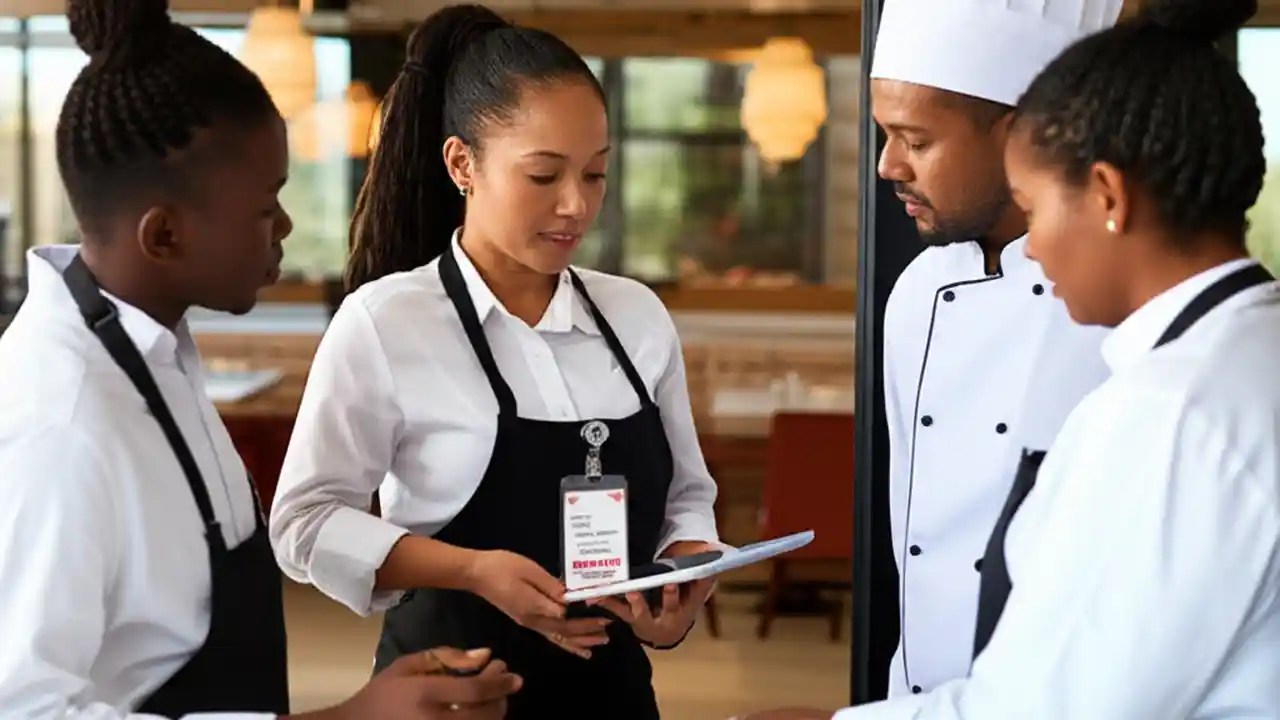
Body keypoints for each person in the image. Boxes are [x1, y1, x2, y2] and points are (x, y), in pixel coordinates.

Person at [744, 0, 1280, 717]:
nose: (886, 165)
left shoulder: (1170, 411)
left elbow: (1073, 701)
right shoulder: (1236, 354)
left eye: (915, 138)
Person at [0, 1, 519, 718]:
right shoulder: (58, 422)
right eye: (264, 204)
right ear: (164, 235)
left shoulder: (151, 352)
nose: (286, 226)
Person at [267, 4, 721, 719]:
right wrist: (473, 571)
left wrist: (682, 582)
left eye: (596, 175)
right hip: (454, 696)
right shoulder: (389, 322)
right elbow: (304, 523)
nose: (575, 205)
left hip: (614, 700)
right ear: (462, 165)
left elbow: (687, 500)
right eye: (544, 176)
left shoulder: (637, 317)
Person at [866, 0, 1123, 699]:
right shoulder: (918, 291)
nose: (888, 165)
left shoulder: (1111, 296)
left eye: (915, 140)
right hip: (917, 696)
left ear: (1020, 136)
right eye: (884, 135)